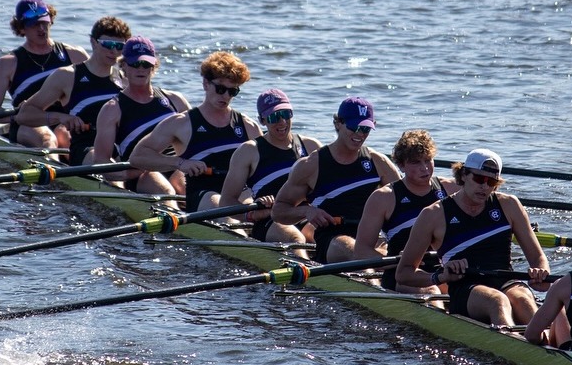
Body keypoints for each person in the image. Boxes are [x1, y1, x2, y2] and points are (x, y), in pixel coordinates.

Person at [397, 149, 550, 328]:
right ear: (463, 175)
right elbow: (403, 273)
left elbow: (538, 257)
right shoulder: (433, 215)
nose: (484, 186)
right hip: (465, 288)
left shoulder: (509, 205)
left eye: (491, 182)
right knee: (497, 300)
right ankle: (515, 343)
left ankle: (549, 344)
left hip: (505, 280)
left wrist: (541, 273)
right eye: (479, 179)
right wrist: (439, 276)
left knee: (524, 299)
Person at [272, 97, 400, 264]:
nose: (359, 134)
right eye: (354, 127)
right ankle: (389, 271)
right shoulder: (311, 165)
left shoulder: (378, 162)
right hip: (332, 239)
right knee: (352, 248)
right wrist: (307, 211)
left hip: (371, 237)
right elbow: (278, 211)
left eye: (365, 129)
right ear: (338, 123)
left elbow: (404, 203)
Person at [129, 51, 262, 212]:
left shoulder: (248, 126)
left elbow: (265, 168)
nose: (226, 96)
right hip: (203, 194)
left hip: (240, 193)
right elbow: (138, 157)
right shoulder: (181, 123)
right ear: (206, 84)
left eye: (232, 91)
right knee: (224, 210)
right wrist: (180, 163)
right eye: (220, 89)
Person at [14, 16, 129, 164]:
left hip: (119, 146)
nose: (114, 51)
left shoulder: (125, 80)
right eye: (108, 44)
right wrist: (61, 117)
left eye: (120, 46)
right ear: (93, 42)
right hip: (86, 148)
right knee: (113, 174)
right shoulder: (67, 76)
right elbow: (24, 115)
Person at [0, 0, 89, 148]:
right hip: (28, 123)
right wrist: (15, 117)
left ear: (51, 20)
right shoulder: (8, 63)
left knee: (65, 138)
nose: (41, 29)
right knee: (48, 140)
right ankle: (52, 168)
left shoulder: (75, 54)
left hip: (65, 120)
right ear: (21, 28)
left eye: (44, 22)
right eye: (34, 24)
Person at [219, 89, 322, 248]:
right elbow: (226, 202)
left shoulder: (311, 146)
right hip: (271, 220)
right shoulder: (249, 151)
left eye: (286, 114)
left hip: (306, 215)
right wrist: (252, 214)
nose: (282, 122)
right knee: (296, 240)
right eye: (274, 117)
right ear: (262, 120)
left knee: (331, 236)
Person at [355, 130, 454, 293]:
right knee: (433, 291)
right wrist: (394, 262)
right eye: (416, 162)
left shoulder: (450, 189)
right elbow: (361, 251)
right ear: (401, 165)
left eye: (428, 160)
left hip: (442, 269)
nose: (425, 168)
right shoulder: (384, 198)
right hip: (403, 274)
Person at [89, 36, 191, 193]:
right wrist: (127, 174)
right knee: (167, 192)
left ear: (153, 66)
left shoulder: (175, 100)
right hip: (142, 172)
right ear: (124, 66)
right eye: (135, 64)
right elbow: (101, 162)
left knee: (186, 187)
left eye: (146, 64)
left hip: (176, 165)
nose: (141, 69)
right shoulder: (112, 109)